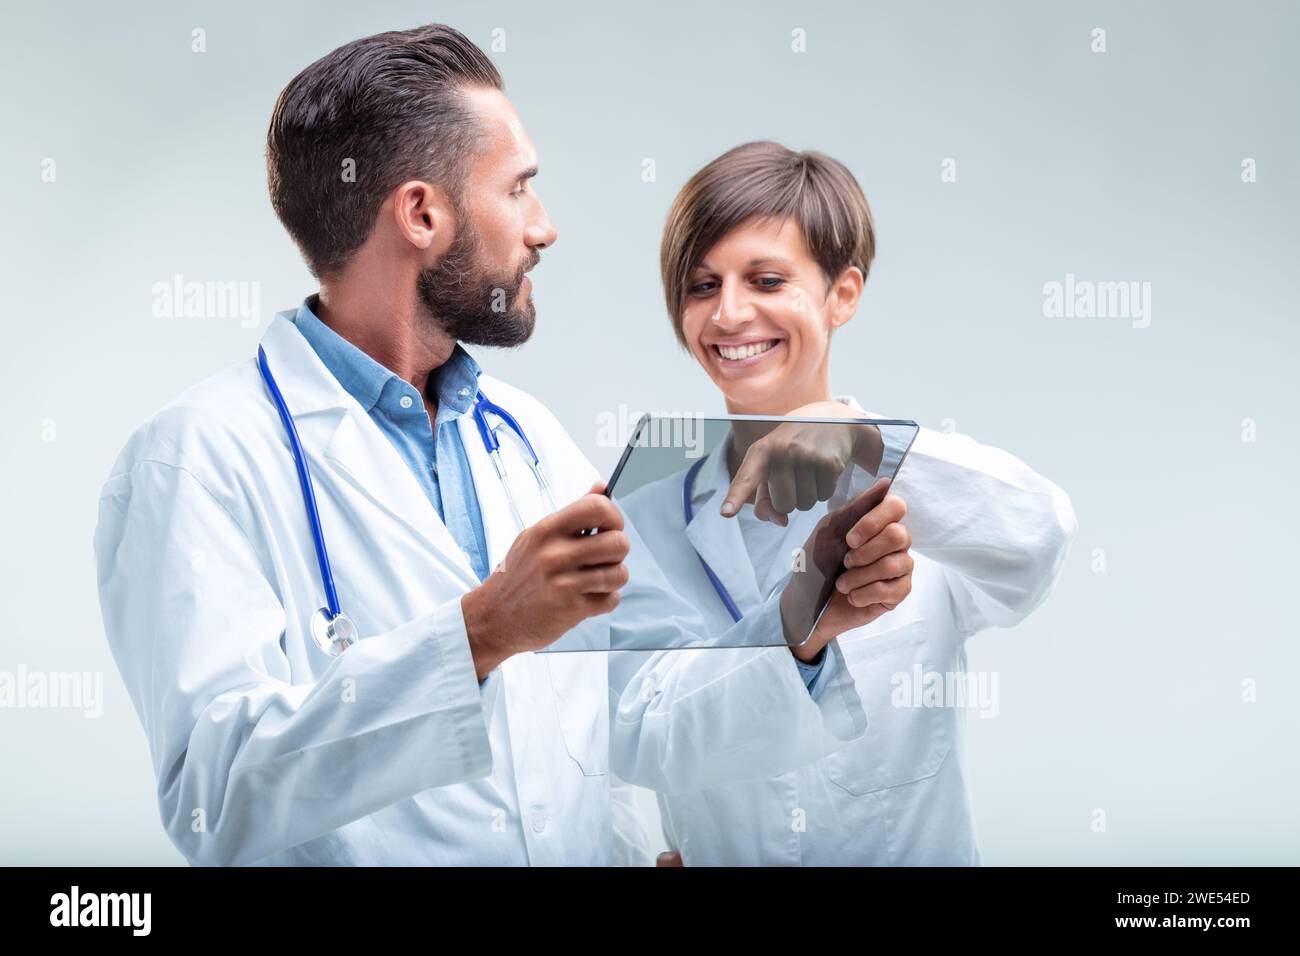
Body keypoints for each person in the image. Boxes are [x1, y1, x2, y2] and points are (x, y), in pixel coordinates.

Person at [92, 27, 909, 866]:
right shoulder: (197, 459)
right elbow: (213, 797)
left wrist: (804, 624)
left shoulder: (529, 440)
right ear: (421, 214)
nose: (544, 229)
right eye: (519, 190)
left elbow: (634, 713)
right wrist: (482, 631)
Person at [616, 141, 1077, 865]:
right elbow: (639, 730)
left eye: (766, 280)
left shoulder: (915, 485)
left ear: (843, 294)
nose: (730, 314)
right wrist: (797, 627)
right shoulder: (646, 511)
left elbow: (1039, 536)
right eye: (702, 286)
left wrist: (861, 441)